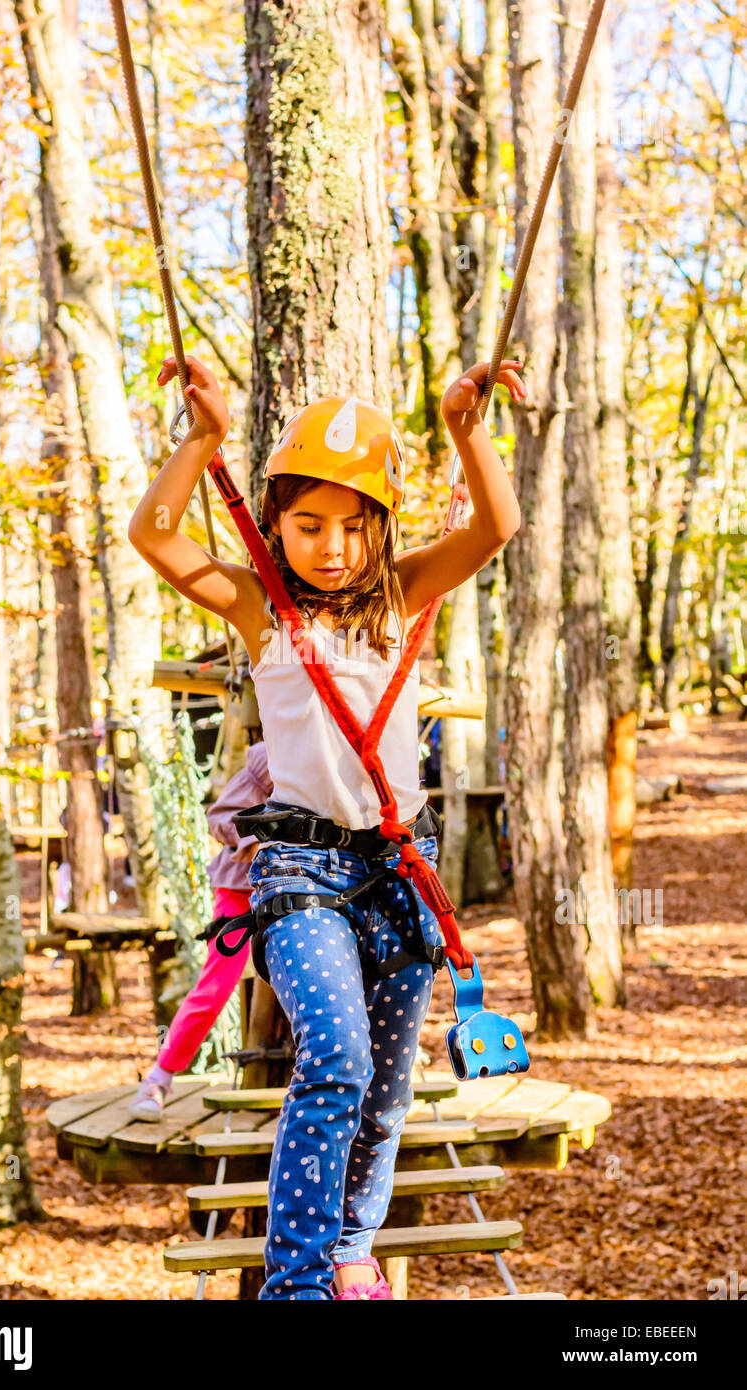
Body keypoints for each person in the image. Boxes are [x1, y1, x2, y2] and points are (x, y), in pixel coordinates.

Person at [128, 353, 524, 1300]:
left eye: (353, 526)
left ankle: (352, 1243)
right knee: (337, 1055)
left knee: (385, 1087)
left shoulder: (406, 593)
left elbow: (496, 526)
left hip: (399, 868)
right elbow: (154, 535)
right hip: (301, 869)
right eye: (308, 525)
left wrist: (466, 431)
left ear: (382, 528)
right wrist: (202, 440)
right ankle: (297, 1281)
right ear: (275, 525)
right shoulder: (260, 607)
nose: (333, 547)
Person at [128, 740, 273, 1119]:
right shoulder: (270, 757)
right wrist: (263, 841)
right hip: (244, 887)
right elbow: (221, 817)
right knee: (216, 985)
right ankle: (158, 1078)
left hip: (315, 886)